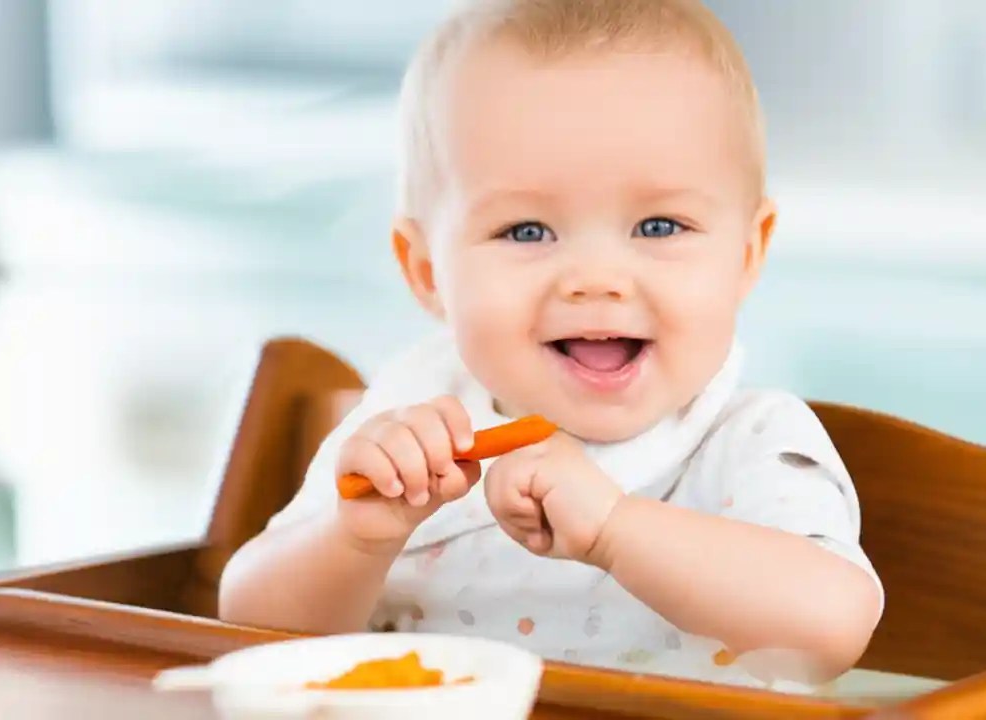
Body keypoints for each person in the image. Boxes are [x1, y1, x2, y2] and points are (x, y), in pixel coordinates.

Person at [219, 0, 882, 688]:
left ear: (747, 255)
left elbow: (832, 627)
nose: (596, 280)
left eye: (659, 226)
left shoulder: (745, 442)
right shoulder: (408, 429)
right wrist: (353, 541)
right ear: (426, 272)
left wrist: (616, 531)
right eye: (527, 231)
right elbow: (247, 627)